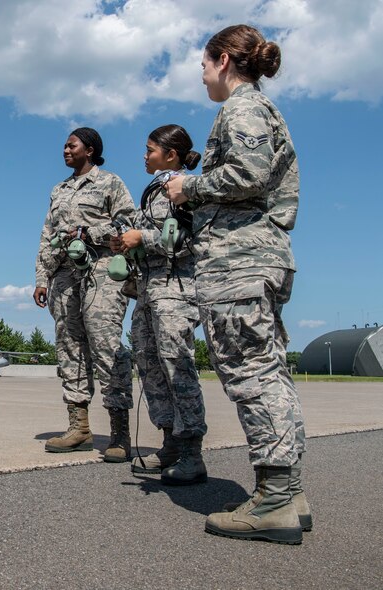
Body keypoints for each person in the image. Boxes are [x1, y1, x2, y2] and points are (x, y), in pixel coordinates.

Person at [165, 25, 309, 544]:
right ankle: (288, 490)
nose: (202, 75)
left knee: (252, 374)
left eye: (204, 64)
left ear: (223, 60)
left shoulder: (242, 108)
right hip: (258, 257)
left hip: (239, 261)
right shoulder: (262, 110)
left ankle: (273, 499)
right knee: (269, 370)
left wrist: (189, 187)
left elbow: (246, 173)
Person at [111, 124, 208, 485]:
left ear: (171, 155)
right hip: (149, 292)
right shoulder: (154, 190)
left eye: (150, 149)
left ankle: (191, 452)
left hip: (176, 292)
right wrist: (125, 242)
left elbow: (189, 237)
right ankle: (169, 443)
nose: (144, 155)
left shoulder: (183, 189)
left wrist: (144, 236)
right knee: (150, 366)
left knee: (177, 368)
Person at [34, 127, 135, 461]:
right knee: (69, 349)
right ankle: (79, 428)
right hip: (63, 277)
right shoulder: (58, 190)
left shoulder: (110, 183)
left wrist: (89, 232)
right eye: (63, 145)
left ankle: (119, 434)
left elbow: (127, 223)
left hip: (101, 273)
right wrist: (41, 278)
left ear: (89, 150)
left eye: (71, 145)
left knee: (106, 348)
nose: (65, 150)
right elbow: (47, 233)